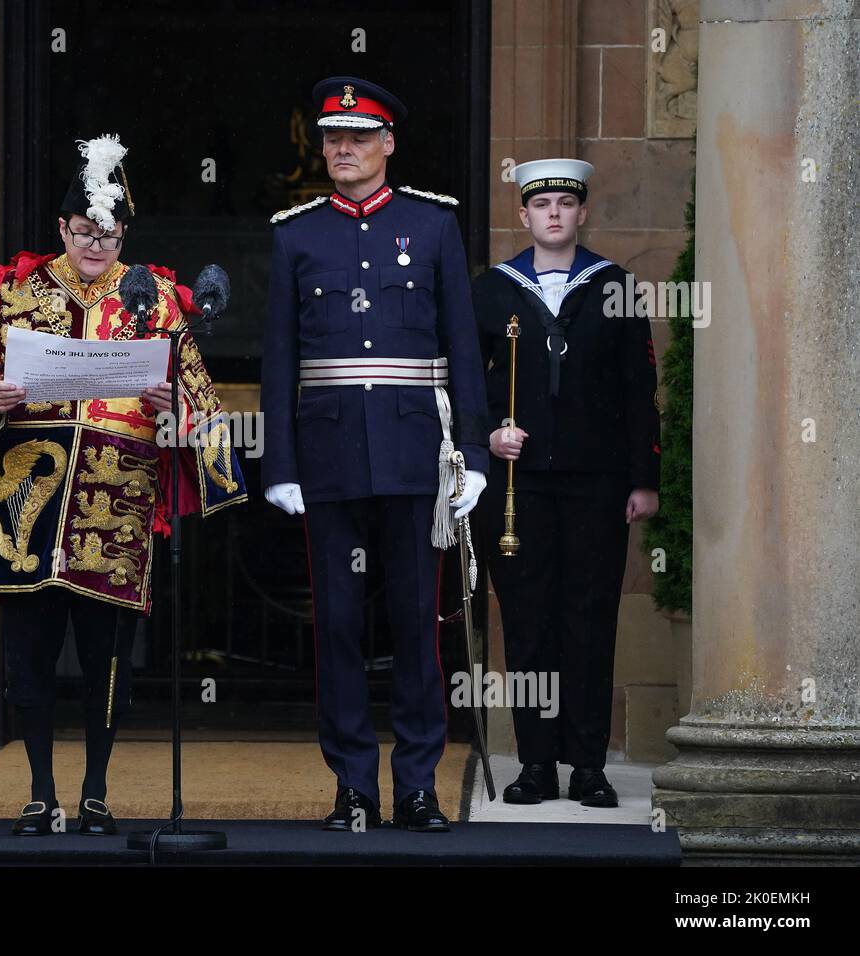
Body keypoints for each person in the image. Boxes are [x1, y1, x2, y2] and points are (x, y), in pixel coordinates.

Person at [0, 134, 246, 836]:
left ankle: (96, 791)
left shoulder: (158, 297)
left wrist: (178, 414)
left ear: (124, 232)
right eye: (82, 231)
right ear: (61, 229)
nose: (94, 244)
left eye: (107, 232)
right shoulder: (13, 293)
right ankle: (40, 792)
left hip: (117, 502)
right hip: (25, 500)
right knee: (30, 657)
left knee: (108, 663)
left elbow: (207, 409)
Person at [260, 77, 490, 833]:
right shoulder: (296, 234)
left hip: (414, 453)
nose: (343, 149)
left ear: (388, 144)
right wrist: (282, 465)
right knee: (339, 629)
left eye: (358, 137)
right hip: (327, 457)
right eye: (333, 137)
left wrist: (477, 459)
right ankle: (353, 787)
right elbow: (279, 360)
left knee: (417, 626)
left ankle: (417, 785)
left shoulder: (432, 228)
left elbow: (463, 345)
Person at [471, 158, 660, 808]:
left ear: (582, 213)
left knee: (588, 620)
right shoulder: (491, 290)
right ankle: (536, 764)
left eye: (565, 203)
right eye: (541, 203)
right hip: (515, 487)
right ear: (523, 216)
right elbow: (464, 387)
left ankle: (588, 766)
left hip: (599, 485)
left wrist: (645, 479)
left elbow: (641, 391)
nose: (554, 213)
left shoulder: (615, 286)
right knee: (527, 623)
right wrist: (489, 435)